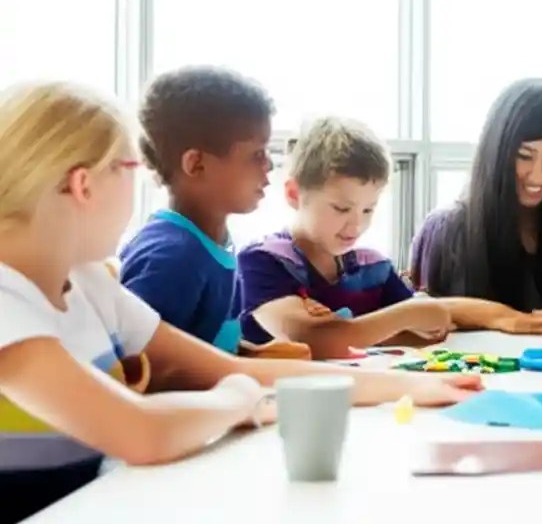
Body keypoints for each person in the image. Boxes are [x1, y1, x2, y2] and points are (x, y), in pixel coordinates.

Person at [0, 82, 481, 522]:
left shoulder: (89, 284)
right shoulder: (7, 299)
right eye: (132, 170)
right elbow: (143, 433)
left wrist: (408, 386)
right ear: (83, 185)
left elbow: (231, 369)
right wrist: (236, 403)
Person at [236, 117, 452, 359]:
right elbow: (315, 341)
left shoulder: (372, 266)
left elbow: (424, 329)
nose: (357, 225)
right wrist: (406, 315)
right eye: (341, 209)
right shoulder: (262, 260)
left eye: (368, 210)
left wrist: (350, 327)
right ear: (294, 194)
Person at [410, 79, 542, 332]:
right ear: (497, 152)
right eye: (524, 156)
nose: (538, 176)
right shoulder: (447, 230)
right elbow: (421, 324)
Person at [119, 67, 276, 353]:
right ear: (196, 164)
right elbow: (143, 361)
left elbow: (202, 343)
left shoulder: (211, 242)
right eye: (257, 154)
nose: (270, 165)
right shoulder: (172, 258)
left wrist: (255, 354)